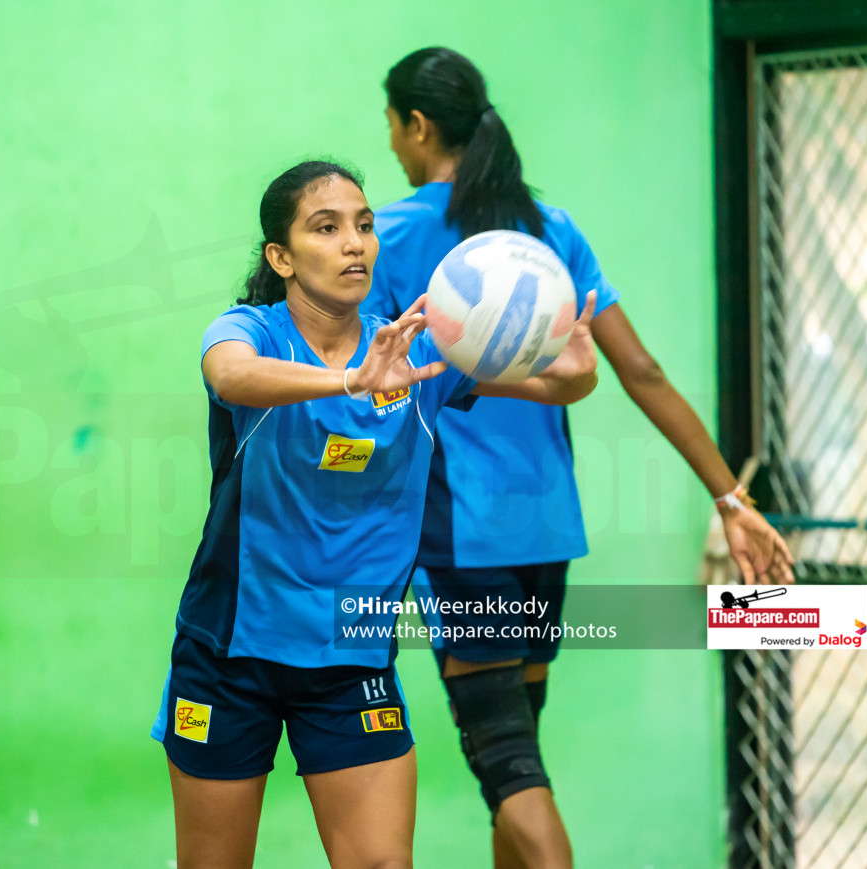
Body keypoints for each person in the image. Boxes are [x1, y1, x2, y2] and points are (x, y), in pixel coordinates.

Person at [363, 47, 795, 869]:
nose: (390, 142)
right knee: (518, 757)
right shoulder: (549, 231)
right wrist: (731, 498)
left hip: (464, 534)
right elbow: (643, 373)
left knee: (509, 768)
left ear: (417, 126)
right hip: (547, 531)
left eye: (391, 125)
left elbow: (378, 389)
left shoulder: (389, 235)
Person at [150, 159, 598, 869]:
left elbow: (561, 384)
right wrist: (351, 378)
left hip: (350, 656)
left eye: (362, 225)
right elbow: (230, 374)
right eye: (325, 228)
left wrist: (573, 357)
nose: (353, 242)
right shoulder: (253, 331)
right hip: (230, 653)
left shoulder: (418, 349)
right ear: (282, 257)